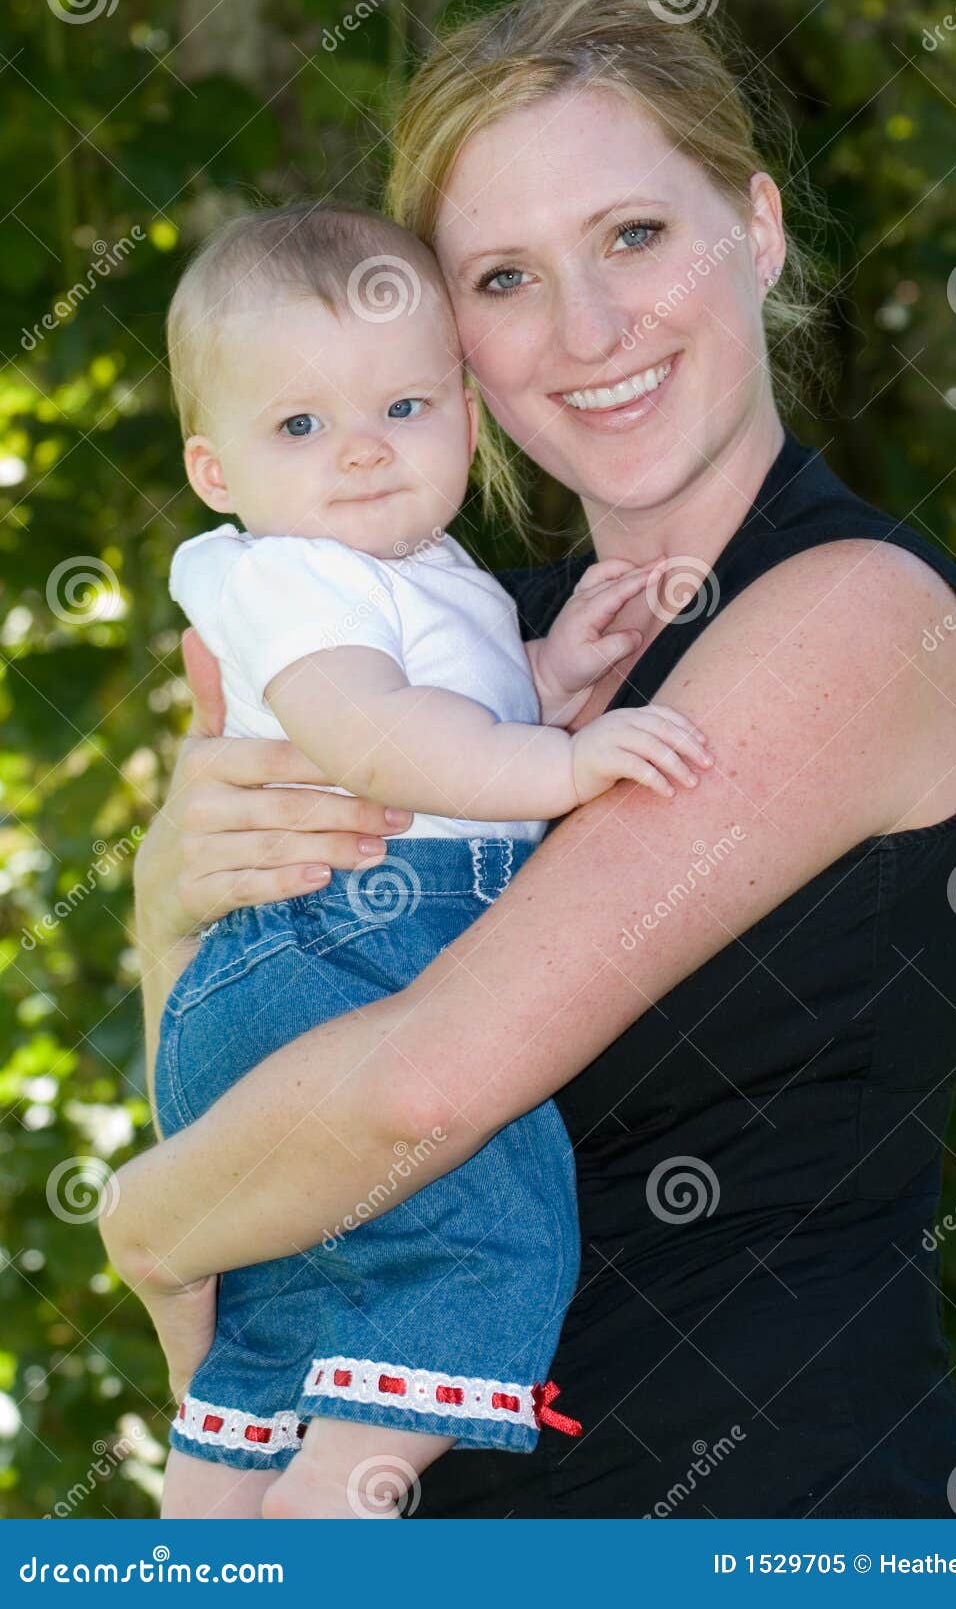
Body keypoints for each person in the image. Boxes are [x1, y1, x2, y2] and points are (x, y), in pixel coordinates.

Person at [101, 0, 956, 1518]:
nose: (587, 329)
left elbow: (416, 1089)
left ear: (761, 227)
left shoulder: (860, 619)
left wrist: (142, 1224)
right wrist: (163, 901)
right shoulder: (453, 650)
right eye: (506, 276)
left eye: (636, 237)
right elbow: (245, 1115)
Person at [153, 198, 708, 1515]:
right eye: (300, 426)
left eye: (401, 409)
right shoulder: (286, 574)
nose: (357, 454)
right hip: (354, 941)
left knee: (295, 1307)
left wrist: (549, 679)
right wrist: (565, 767)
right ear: (215, 470)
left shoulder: (413, 570)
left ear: (465, 413)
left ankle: (220, 1525)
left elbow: (455, 703)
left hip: (303, 965)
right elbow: (382, 738)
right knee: (483, 1239)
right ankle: (343, 1506)